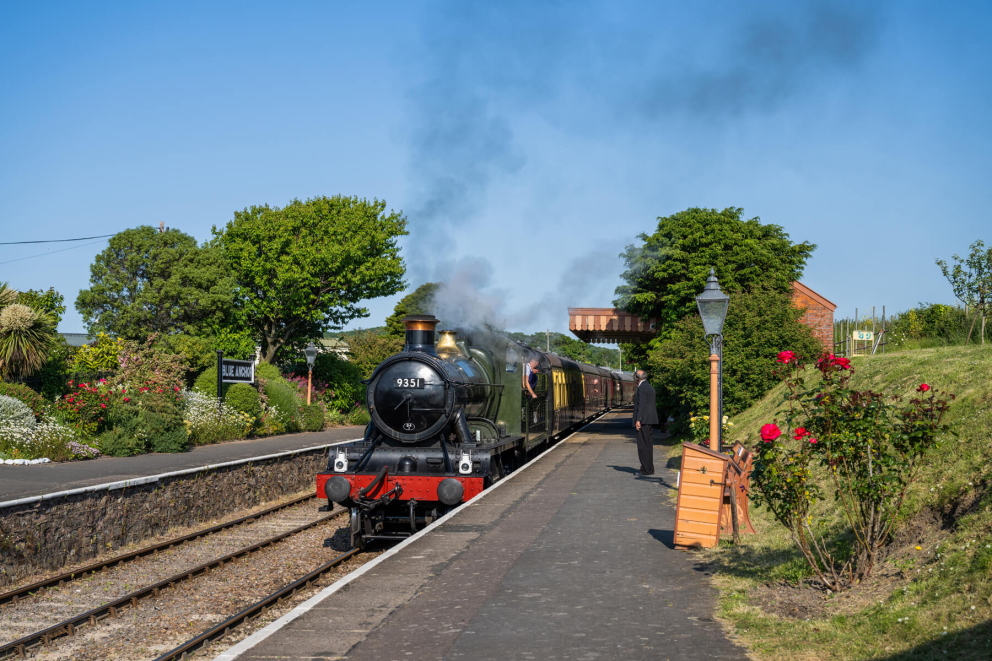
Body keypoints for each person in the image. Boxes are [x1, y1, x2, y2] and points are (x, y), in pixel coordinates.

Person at [632, 369, 658, 476]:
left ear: (636, 378)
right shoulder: (650, 386)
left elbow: (642, 404)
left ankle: (645, 469)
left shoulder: (641, 388)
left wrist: (639, 419)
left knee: (642, 446)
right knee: (648, 445)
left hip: (644, 420)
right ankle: (649, 468)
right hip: (650, 419)